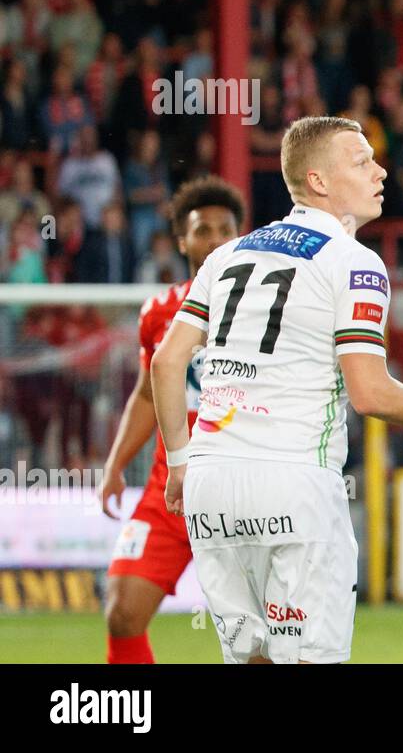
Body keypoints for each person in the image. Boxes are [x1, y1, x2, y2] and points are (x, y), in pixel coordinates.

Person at [149, 116, 403, 664]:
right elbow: (368, 393)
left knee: (251, 657)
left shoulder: (228, 256)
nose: (380, 170)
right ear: (319, 181)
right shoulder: (354, 262)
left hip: (211, 484)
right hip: (293, 481)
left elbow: (166, 362)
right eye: (362, 160)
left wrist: (179, 463)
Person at [99, 177, 246, 664]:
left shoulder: (266, 308)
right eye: (203, 230)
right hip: (172, 491)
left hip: (243, 491)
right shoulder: (159, 312)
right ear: (182, 241)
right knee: (122, 611)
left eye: (226, 229)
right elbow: (146, 393)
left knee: (259, 640)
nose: (215, 240)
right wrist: (116, 464)